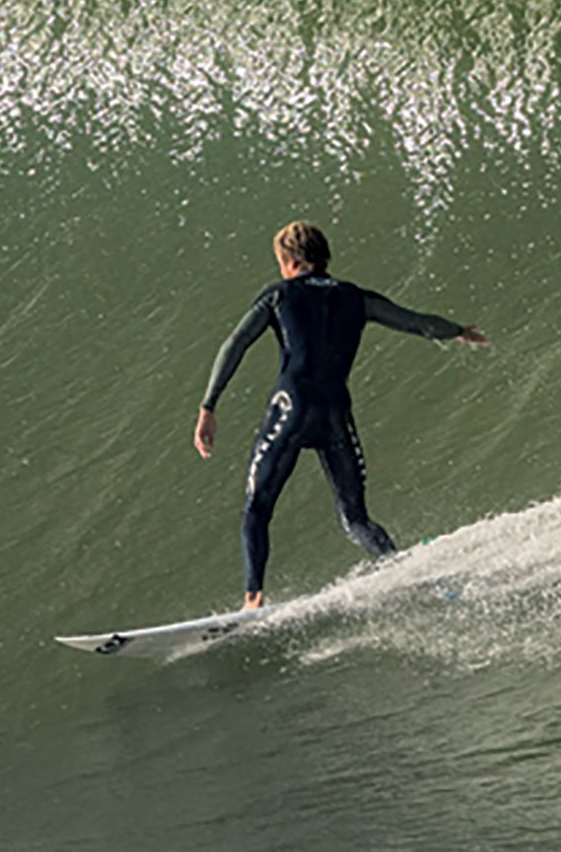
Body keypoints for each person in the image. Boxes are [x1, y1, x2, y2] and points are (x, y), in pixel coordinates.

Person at [193, 221, 487, 610]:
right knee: (355, 519)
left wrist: (209, 405)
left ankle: (254, 598)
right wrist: (457, 331)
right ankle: (399, 571)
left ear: (292, 261)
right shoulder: (355, 298)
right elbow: (415, 322)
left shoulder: (279, 296)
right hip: (335, 412)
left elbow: (236, 342)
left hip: (291, 407)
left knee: (258, 506)